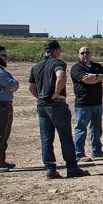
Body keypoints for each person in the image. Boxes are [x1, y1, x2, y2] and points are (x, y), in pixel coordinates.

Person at [28, 40, 90, 179]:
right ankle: (71, 168)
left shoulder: (36, 66)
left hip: (42, 105)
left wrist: (41, 97)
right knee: (65, 137)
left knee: (46, 138)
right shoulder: (57, 63)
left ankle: (50, 169)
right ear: (56, 50)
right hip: (56, 105)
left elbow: (31, 88)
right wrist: (56, 93)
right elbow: (61, 76)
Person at [70, 46, 103, 162]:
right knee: (81, 128)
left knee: (96, 128)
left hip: (97, 102)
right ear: (79, 55)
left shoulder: (97, 66)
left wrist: (95, 76)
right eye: (82, 53)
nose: (85, 55)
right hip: (83, 104)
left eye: (87, 52)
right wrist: (98, 78)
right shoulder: (76, 68)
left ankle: (96, 150)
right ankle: (79, 153)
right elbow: (86, 80)